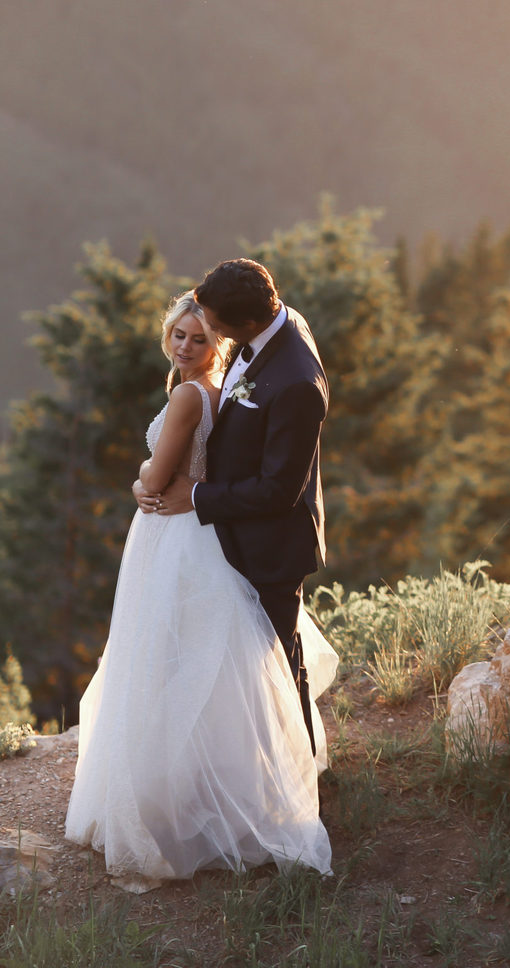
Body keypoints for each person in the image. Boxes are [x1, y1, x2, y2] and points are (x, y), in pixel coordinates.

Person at [64, 287, 335, 889]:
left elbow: (160, 476)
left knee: (161, 659)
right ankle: (240, 779)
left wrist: (140, 479)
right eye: (178, 335)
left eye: (199, 336)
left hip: (176, 532)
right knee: (220, 663)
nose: (185, 346)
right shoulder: (222, 383)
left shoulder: (191, 395)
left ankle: (171, 798)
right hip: (210, 532)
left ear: (222, 340)